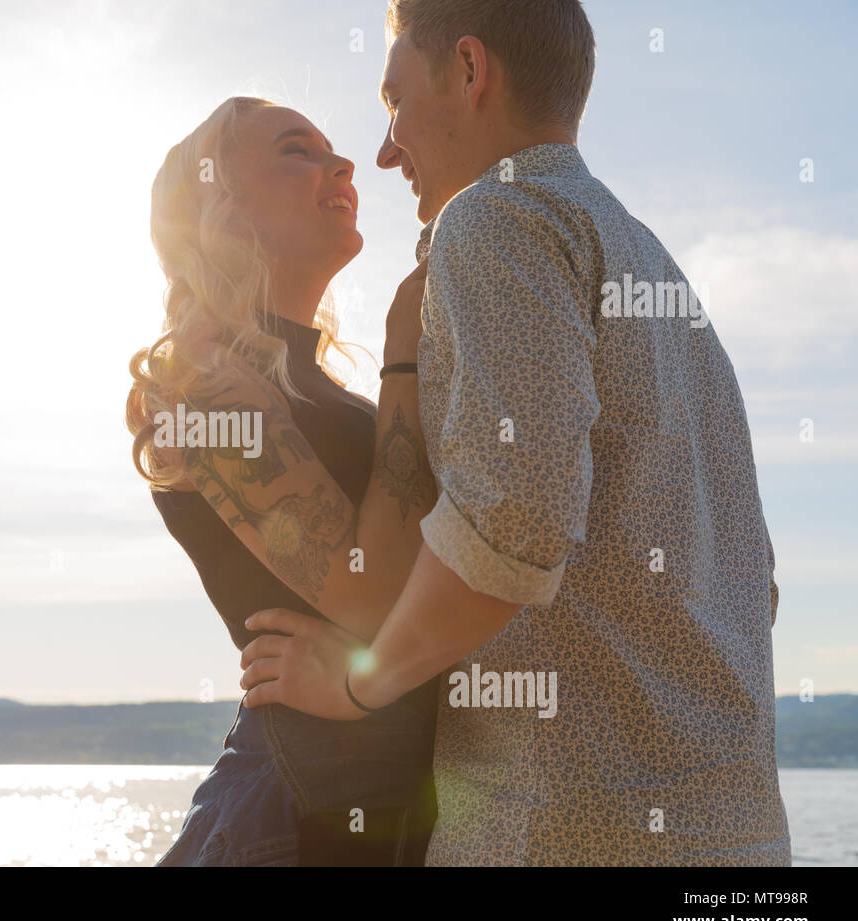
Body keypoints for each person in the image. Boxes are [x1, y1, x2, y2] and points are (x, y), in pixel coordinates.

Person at [240, 0, 791, 866]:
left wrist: (360, 682)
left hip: (562, 834)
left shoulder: (491, 219)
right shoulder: (655, 269)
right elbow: (754, 579)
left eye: (394, 102)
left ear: (469, 70)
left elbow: (518, 520)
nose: (384, 150)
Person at [126, 96, 439, 866]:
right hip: (300, 811)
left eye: (334, 150)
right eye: (297, 151)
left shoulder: (325, 391)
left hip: (390, 798)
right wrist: (405, 355)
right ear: (222, 211)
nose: (342, 166)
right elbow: (372, 596)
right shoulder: (200, 388)